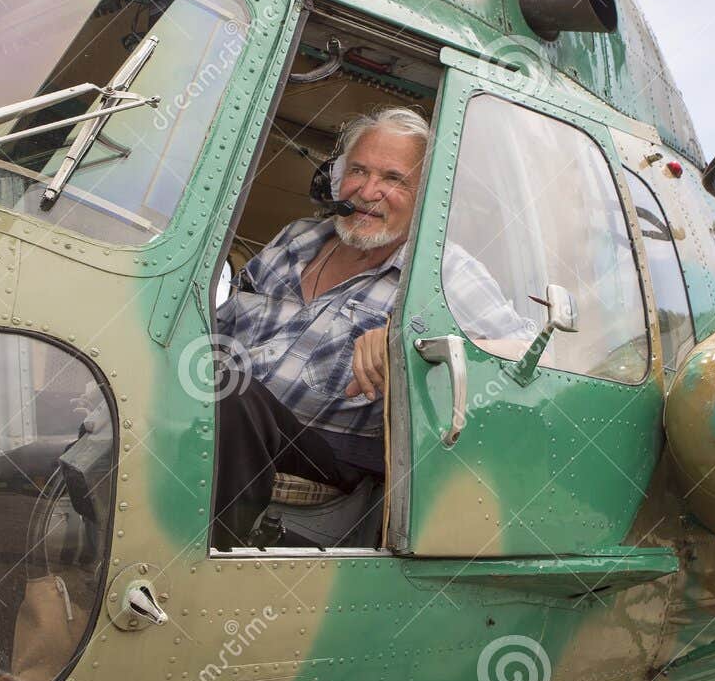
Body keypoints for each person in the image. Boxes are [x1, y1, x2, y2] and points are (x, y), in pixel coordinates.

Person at [211, 107, 528, 547]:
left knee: (231, 396)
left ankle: (196, 550)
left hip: (325, 451)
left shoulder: (444, 272)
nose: (368, 191)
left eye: (394, 180)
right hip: (220, 412)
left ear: (427, 198)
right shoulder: (298, 237)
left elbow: (528, 353)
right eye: (358, 171)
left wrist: (404, 343)